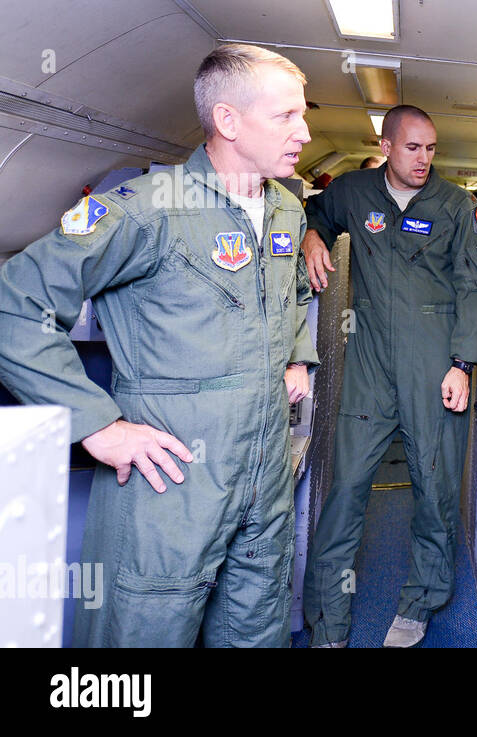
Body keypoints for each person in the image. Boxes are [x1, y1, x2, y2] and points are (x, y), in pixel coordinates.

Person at [0, 43, 316, 647]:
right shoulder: (146, 212)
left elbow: (291, 289)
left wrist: (298, 351)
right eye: (285, 117)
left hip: (266, 465)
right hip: (172, 479)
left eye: (301, 115)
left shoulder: (285, 208)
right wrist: (97, 426)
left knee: (258, 625)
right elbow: (16, 304)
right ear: (227, 120)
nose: (303, 132)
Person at [300, 105, 477, 648]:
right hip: (368, 361)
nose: (424, 159)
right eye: (413, 148)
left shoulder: (457, 206)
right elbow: (317, 213)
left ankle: (420, 602)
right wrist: (314, 235)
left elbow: (476, 288)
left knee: (433, 488)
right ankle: (329, 619)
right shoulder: (355, 192)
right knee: (347, 488)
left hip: (434, 363)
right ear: (386, 146)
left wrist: (462, 365)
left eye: (431, 148)